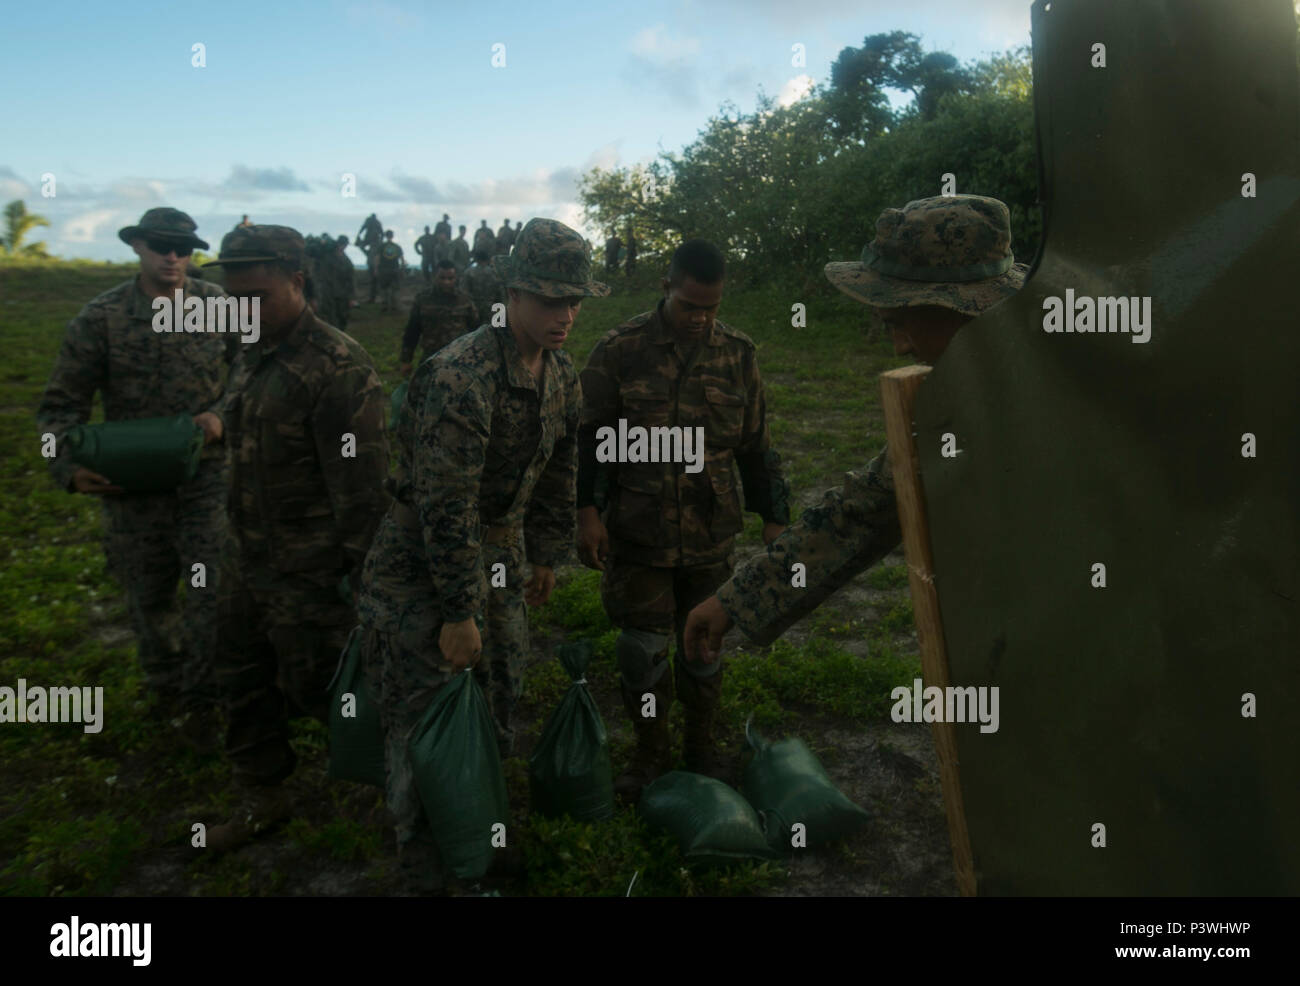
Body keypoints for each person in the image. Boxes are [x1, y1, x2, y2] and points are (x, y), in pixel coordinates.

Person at [357, 217, 603, 893]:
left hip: (499, 555)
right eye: (551, 300)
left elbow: (560, 470)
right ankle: (424, 859)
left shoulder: (560, 374)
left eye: (574, 300)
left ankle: (479, 832)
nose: (566, 314)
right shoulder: (462, 374)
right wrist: (460, 611)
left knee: (499, 694)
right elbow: (446, 506)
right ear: (513, 295)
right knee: (425, 708)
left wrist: (546, 554)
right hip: (423, 564)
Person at [683, 195, 1029, 665]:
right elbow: (865, 509)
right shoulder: (958, 396)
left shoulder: (1093, 379)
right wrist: (736, 600)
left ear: (966, 308)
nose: (899, 345)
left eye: (900, 323)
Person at [199, 225, 390, 851]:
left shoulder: (339, 368)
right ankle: (263, 797)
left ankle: (398, 794)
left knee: (324, 690)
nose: (242, 310)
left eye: (256, 296)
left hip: (309, 576)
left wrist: (365, 590)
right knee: (241, 680)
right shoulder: (249, 350)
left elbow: (363, 496)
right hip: (244, 558)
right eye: (234, 297)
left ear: (298, 282)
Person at [577, 238, 789, 801]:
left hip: (708, 534)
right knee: (641, 653)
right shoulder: (619, 350)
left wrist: (774, 515)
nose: (700, 318)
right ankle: (649, 755)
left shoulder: (738, 354)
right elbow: (587, 440)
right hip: (637, 530)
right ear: (665, 288)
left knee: (702, 647)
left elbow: (757, 445)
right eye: (689, 305)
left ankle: (701, 747)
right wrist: (586, 511)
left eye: (711, 307)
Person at [35, 207, 235, 750]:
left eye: (183, 247)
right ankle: (166, 692)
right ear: (138, 248)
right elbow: (59, 407)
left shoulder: (218, 306)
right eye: (161, 246)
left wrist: (223, 416)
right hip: (132, 483)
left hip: (204, 476)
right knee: (148, 597)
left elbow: (250, 375)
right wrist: (68, 468)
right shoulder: (99, 318)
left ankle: (203, 703)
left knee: (209, 588)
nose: (173, 256)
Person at [398, 260, 479, 375]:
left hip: (458, 359)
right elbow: (412, 331)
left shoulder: (465, 300)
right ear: (435, 277)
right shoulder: (423, 299)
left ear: (456, 278)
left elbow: (475, 330)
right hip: (431, 358)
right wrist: (406, 360)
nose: (446, 282)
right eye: (442, 278)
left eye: (450, 278)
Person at [461, 248, 505, 328]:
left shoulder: (468, 273)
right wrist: (501, 320)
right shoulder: (495, 274)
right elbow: (501, 297)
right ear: (487, 259)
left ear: (476, 259)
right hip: (491, 311)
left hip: (473, 311)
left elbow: (464, 293)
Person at [320, 235, 356, 331]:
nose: (342, 247)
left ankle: (340, 334)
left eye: (344, 245)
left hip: (342, 294)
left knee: (343, 317)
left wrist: (352, 298)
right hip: (328, 292)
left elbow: (351, 280)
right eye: (341, 245)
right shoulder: (327, 256)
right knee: (330, 318)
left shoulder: (347, 261)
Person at [355, 213, 383, 303]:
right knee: (375, 281)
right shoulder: (376, 223)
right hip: (374, 261)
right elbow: (381, 232)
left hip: (373, 262)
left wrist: (359, 237)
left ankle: (374, 297)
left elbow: (363, 228)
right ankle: (375, 297)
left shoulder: (370, 221)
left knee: (375, 281)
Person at [377, 230, 405, 313]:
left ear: (386, 236)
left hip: (384, 270)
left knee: (384, 289)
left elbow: (377, 258)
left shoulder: (381, 246)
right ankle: (394, 307)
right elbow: (402, 259)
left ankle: (384, 307)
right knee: (395, 289)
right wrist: (402, 269)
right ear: (392, 236)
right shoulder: (397, 246)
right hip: (395, 270)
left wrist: (376, 269)